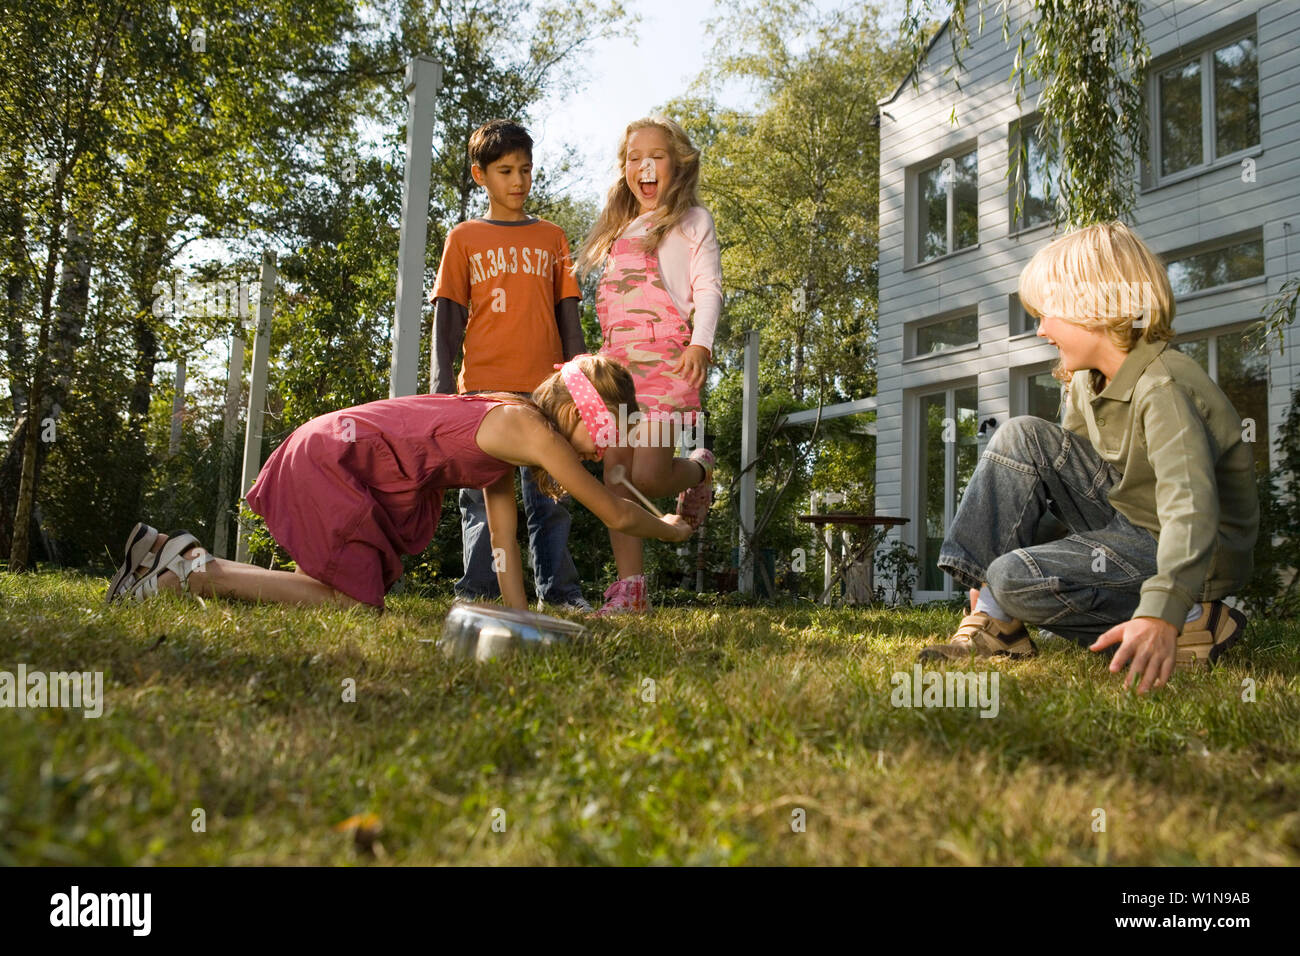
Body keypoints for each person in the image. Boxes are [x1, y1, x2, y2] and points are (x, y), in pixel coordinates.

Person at [919, 221, 1259, 694]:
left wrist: (1165, 606)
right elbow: (1057, 490)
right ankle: (995, 621)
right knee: (1020, 435)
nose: (1041, 330)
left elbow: (1192, 508)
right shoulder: (1087, 381)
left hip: (1189, 548)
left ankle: (1193, 616)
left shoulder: (1164, 388)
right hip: (1126, 523)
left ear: (1095, 307)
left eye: (1047, 313)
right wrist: (1007, 566)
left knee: (1012, 577)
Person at [105, 356, 692, 612]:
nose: (605, 447)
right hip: (336, 457)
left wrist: (521, 620)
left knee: (342, 589)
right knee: (354, 604)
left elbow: (504, 545)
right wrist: (668, 530)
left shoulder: (514, 434)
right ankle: (191, 571)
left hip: (342, 452)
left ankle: (164, 555)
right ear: (575, 411)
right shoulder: (529, 430)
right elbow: (614, 515)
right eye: (603, 430)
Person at [431, 119, 591, 611]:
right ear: (481, 176)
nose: (518, 181)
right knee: (481, 499)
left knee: (551, 498)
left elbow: (569, 316)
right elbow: (448, 317)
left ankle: (560, 594)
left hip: (546, 392)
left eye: (525, 169)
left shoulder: (552, 237)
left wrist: (579, 387)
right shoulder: (463, 238)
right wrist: (440, 391)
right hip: (482, 391)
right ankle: (478, 592)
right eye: (505, 171)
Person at [574, 115, 722, 616]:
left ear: (677, 163)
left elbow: (708, 288)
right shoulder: (618, 228)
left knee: (652, 478)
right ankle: (630, 588)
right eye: (633, 158)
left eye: (654, 156)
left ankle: (699, 474)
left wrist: (701, 344)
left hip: (666, 364)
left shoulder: (691, 220)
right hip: (616, 368)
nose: (644, 166)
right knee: (615, 475)